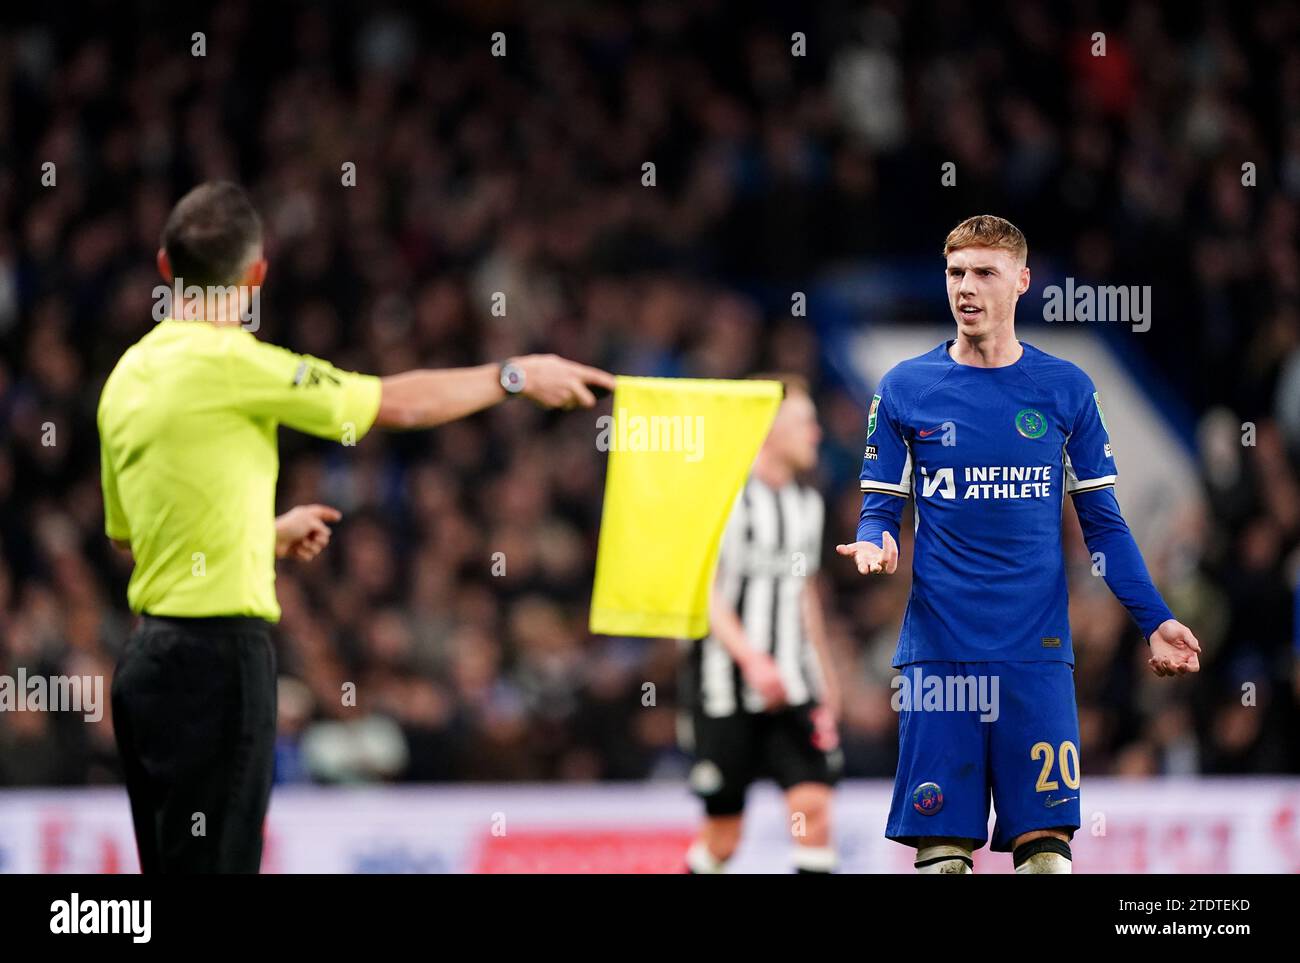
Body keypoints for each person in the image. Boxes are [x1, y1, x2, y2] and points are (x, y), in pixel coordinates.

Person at [99, 180, 614, 873]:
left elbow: (131, 540)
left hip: (147, 669)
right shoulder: (237, 363)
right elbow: (393, 404)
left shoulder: (125, 378)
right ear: (257, 274)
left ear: (166, 268)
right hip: (218, 665)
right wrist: (513, 374)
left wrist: (262, 535)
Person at [835, 215, 1201, 874]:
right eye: (955, 273)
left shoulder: (1064, 388)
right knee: (943, 855)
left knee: (1046, 859)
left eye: (984, 272)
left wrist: (1158, 618)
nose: (966, 288)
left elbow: (1105, 525)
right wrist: (876, 540)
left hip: (1035, 657)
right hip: (939, 659)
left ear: (1022, 281)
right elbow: (880, 506)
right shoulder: (903, 388)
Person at [682, 375, 844, 874]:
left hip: (795, 690)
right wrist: (751, 660)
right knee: (724, 838)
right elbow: (701, 590)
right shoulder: (723, 496)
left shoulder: (808, 504)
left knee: (813, 812)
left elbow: (804, 596)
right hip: (724, 688)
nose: (815, 433)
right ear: (768, 427)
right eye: (803, 422)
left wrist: (828, 686)